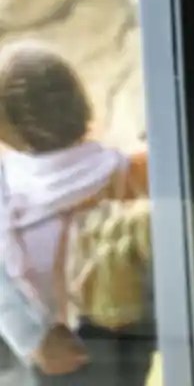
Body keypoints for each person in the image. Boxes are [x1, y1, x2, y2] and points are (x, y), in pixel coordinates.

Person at [0, 41, 151, 386]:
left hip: (47, 355)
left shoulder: (7, 190)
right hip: (126, 350)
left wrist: (30, 339)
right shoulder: (131, 173)